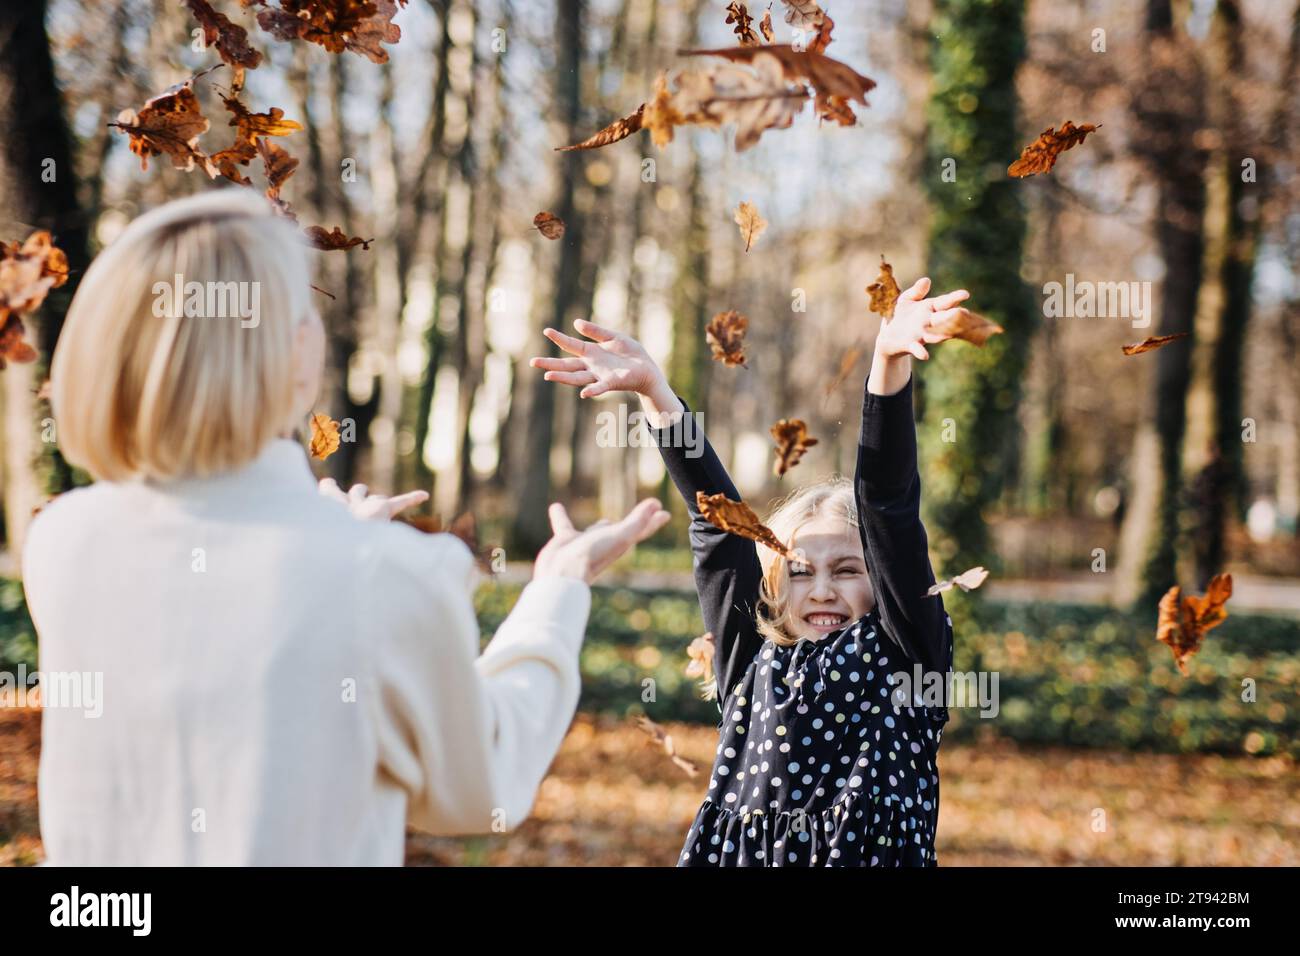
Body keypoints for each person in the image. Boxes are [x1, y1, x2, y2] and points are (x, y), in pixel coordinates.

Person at [23, 189, 669, 865]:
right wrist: (558, 589)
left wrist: (333, 539)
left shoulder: (65, 539)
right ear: (297, 352)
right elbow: (482, 783)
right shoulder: (378, 573)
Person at [529, 275, 967, 866]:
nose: (822, 590)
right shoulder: (751, 659)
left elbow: (888, 504)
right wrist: (658, 396)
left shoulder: (905, 656)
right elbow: (717, 523)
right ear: (776, 587)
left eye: (846, 570)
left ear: (882, 580)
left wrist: (886, 364)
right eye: (802, 572)